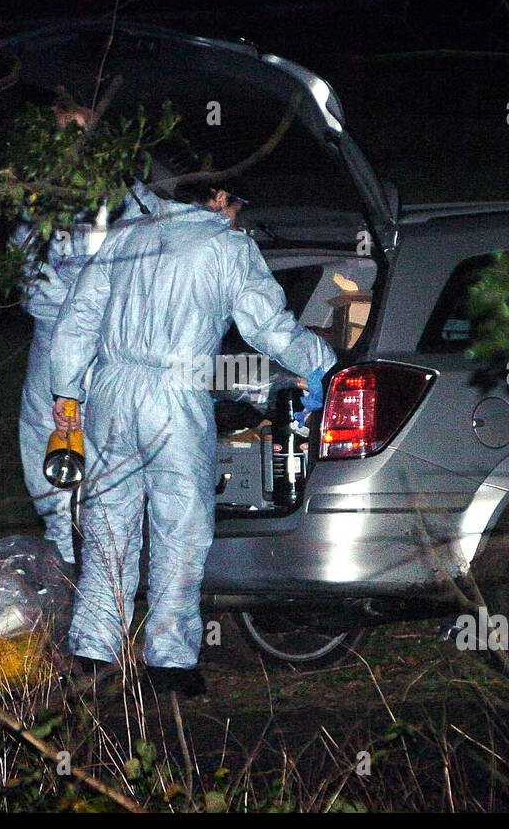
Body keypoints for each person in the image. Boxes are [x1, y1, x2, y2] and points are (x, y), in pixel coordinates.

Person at [49, 185, 335, 697]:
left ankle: (93, 652)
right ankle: (170, 663)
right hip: (175, 397)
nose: (238, 215)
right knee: (180, 529)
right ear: (220, 195)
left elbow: (79, 318)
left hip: (109, 394)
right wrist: (321, 362)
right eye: (237, 204)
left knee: (106, 524)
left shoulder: (127, 235)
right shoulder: (227, 249)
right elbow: (267, 328)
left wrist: (67, 393)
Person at [14, 98, 161, 564]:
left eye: (82, 135)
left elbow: (162, 265)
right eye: (62, 137)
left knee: (119, 462)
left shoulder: (135, 201)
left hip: (120, 353)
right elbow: (31, 281)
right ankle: (67, 558)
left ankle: (118, 570)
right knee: (51, 455)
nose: (74, 149)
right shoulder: (37, 204)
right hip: (55, 344)